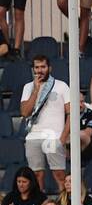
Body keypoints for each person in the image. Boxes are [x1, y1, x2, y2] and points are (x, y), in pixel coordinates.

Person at [19, 57, 70, 191]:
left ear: (50, 68)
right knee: (36, 175)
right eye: (37, 67)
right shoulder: (28, 87)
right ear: (33, 69)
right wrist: (36, 90)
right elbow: (25, 112)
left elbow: (71, 113)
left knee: (59, 174)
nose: (40, 70)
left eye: (43, 67)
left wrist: (63, 138)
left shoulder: (61, 85)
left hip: (54, 136)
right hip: (33, 137)